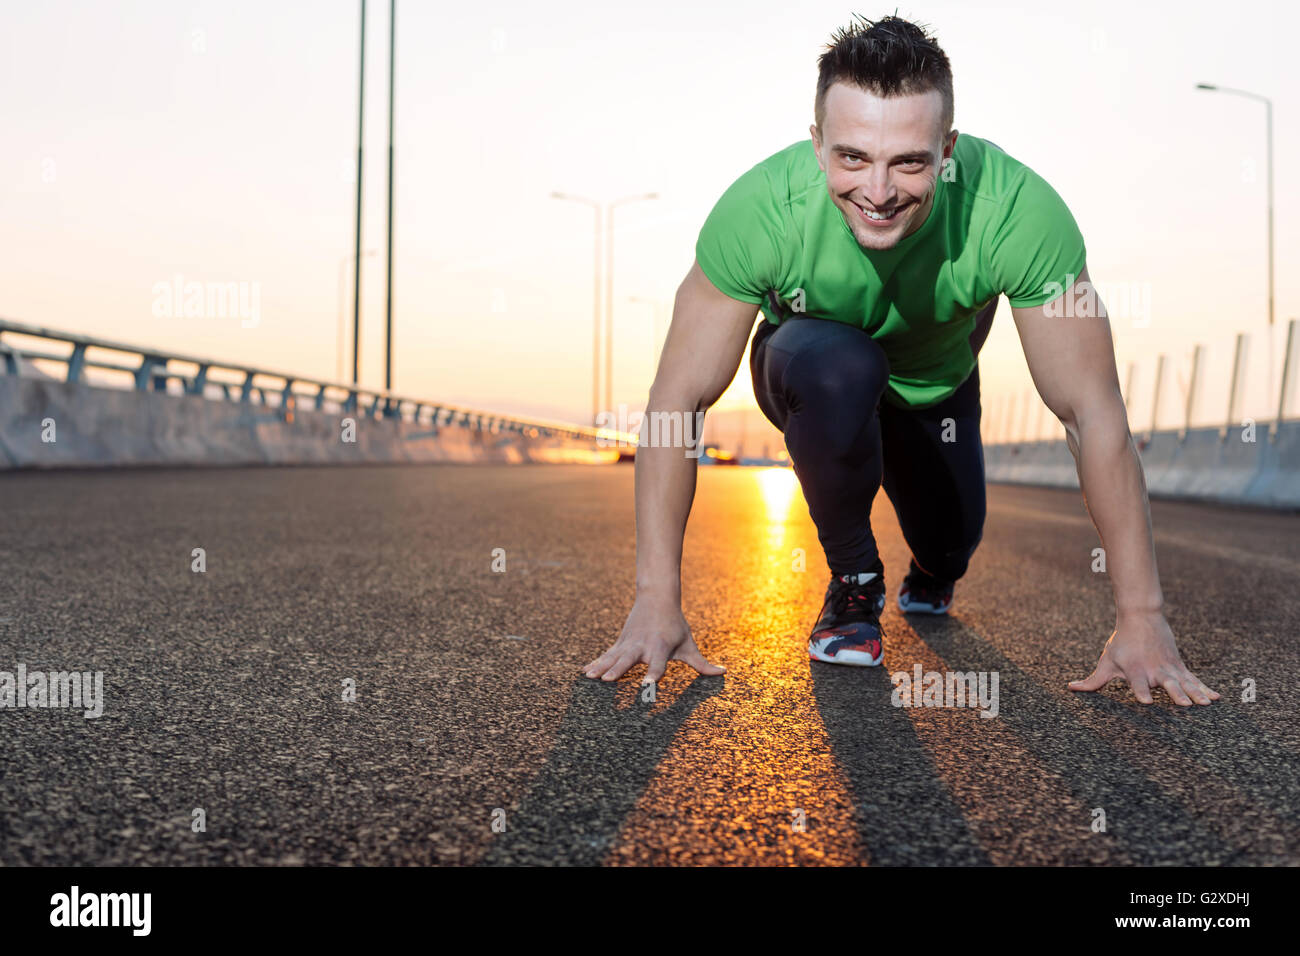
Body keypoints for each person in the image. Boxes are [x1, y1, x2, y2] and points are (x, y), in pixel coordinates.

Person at [583, 14, 1219, 707]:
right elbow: (676, 401)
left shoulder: (1016, 214)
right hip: (814, 370)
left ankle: (932, 565)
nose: (879, 192)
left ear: (946, 149)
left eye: (909, 162)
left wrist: (1142, 617)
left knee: (951, 547)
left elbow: (1092, 413)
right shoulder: (761, 211)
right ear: (818, 144)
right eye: (852, 157)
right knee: (840, 364)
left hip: (935, 394)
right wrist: (655, 600)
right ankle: (854, 583)